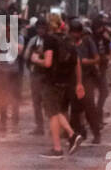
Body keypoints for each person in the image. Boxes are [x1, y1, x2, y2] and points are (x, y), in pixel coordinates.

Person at [30, 13, 82, 158]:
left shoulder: (49, 39)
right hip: (65, 81)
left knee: (53, 114)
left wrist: (35, 59)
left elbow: (47, 62)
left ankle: (61, 145)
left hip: (51, 81)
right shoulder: (68, 39)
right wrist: (78, 83)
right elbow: (76, 62)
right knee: (56, 111)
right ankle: (68, 138)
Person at [68, 20, 103, 144]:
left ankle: (96, 133)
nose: (75, 35)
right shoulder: (69, 44)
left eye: (77, 33)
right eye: (73, 32)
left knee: (89, 108)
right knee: (75, 109)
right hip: (72, 78)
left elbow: (97, 59)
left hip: (87, 78)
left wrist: (85, 62)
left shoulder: (88, 41)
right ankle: (78, 133)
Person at [22, 18, 46, 134]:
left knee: (48, 102)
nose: (41, 30)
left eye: (42, 28)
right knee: (37, 102)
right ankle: (40, 126)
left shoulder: (49, 41)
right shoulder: (33, 41)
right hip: (36, 74)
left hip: (46, 75)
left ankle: (53, 125)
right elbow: (26, 56)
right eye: (39, 28)